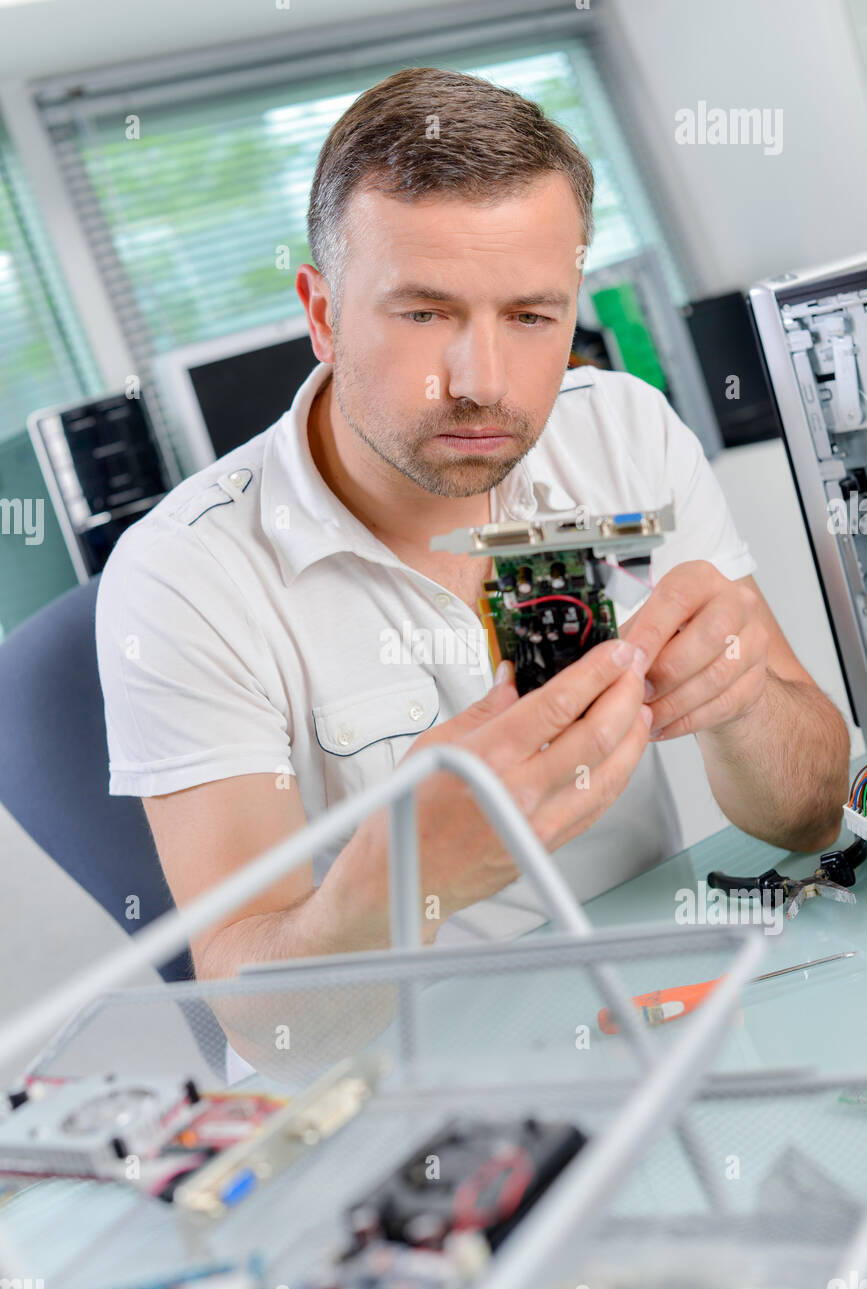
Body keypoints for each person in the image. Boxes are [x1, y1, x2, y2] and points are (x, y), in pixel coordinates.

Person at [96, 67, 849, 986]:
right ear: (324, 316)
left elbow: (808, 819)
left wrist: (740, 703)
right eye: (424, 312)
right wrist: (408, 879)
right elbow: (264, 1019)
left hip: (652, 987)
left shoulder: (622, 428)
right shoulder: (184, 575)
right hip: (408, 1067)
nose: (481, 381)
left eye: (532, 316)